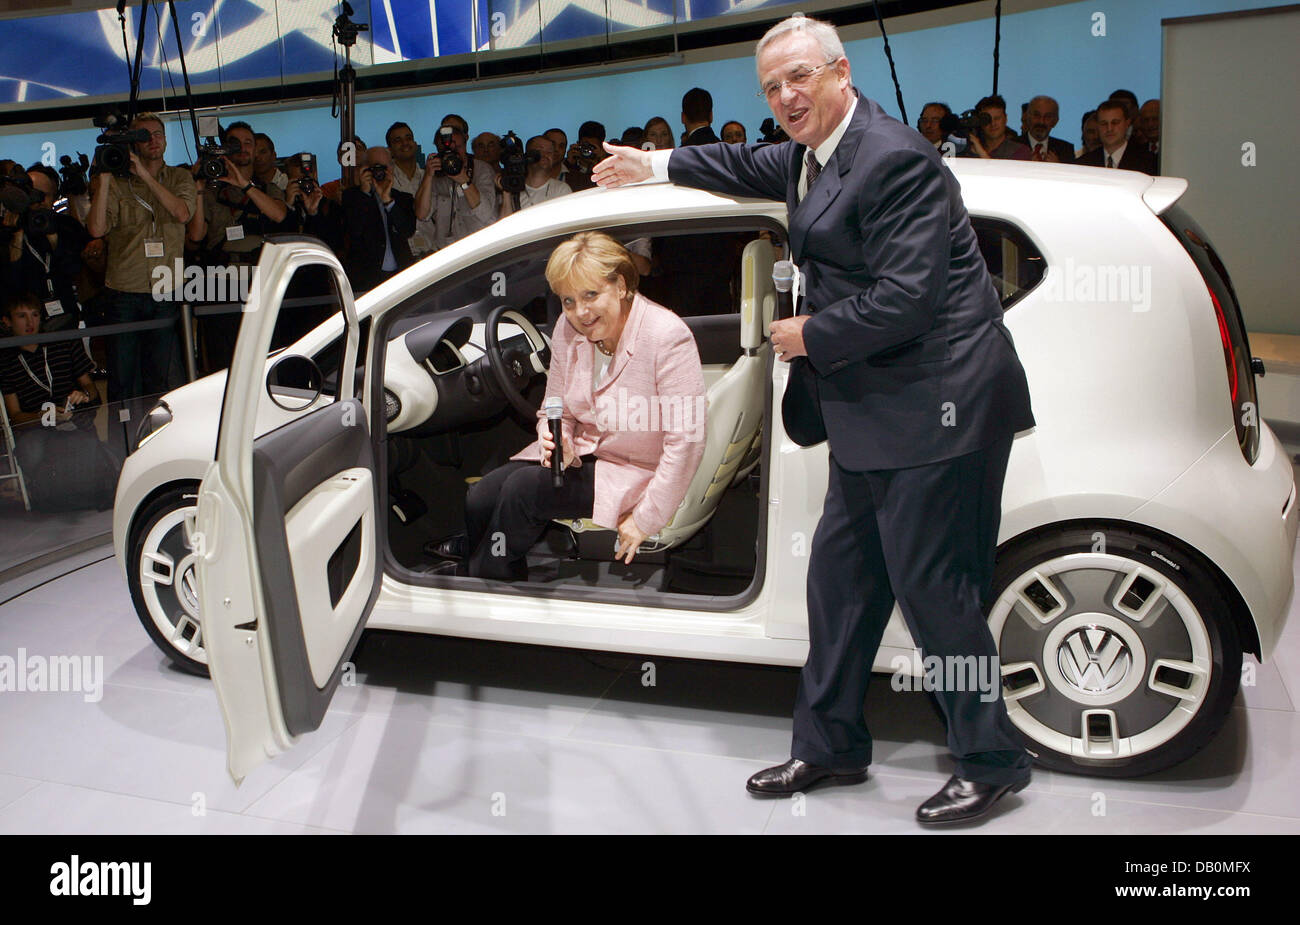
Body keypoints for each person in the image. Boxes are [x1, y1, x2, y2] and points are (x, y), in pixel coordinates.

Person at [594, 12, 1036, 826]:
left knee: (939, 595)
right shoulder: (807, 153)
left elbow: (909, 299)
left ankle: (993, 758)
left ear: (841, 74)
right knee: (840, 584)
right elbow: (737, 160)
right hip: (873, 411)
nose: (786, 95)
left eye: (800, 77)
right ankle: (830, 743)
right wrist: (653, 161)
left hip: (939, 409)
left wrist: (807, 334)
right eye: (772, 86)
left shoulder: (895, 158)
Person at [428, 231, 706, 581]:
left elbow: (687, 441)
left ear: (620, 285)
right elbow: (554, 407)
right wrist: (555, 436)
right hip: (584, 452)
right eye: (568, 300)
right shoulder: (568, 328)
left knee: (523, 492)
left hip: (637, 468)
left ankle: (489, 576)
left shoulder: (665, 335)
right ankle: (481, 553)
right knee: (480, 496)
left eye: (591, 294)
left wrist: (644, 518)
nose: (580, 312)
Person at [85, 111, 197, 404]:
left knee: (162, 377)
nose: (152, 141)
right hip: (124, 289)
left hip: (166, 288)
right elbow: (96, 227)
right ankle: (122, 444)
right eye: (143, 136)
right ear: (131, 143)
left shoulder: (179, 177)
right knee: (122, 379)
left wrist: (144, 174)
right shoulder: (117, 184)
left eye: (157, 134)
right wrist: (105, 178)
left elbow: (182, 213)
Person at [0, 292, 118, 511]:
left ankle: (83, 493)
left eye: (35, 315)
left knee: (81, 442)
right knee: (33, 449)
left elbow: (92, 390)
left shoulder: (62, 343)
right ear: (7, 322)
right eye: (21, 316)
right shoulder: (6, 361)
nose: (30, 323)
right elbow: (14, 418)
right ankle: (52, 497)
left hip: (72, 419)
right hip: (36, 428)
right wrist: (41, 417)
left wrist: (83, 396)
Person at [1, 164, 89, 332]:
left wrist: (53, 236)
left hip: (65, 316)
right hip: (24, 323)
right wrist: (16, 233)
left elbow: (73, 268)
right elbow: (11, 279)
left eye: (45, 196)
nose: (39, 201)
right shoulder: (10, 229)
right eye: (33, 195)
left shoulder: (67, 225)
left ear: (54, 196)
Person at [341, 146, 417, 292]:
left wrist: (388, 200)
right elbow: (354, 231)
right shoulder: (351, 197)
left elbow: (407, 231)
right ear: (365, 169)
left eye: (383, 167)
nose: (379, 172)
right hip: (367, 278)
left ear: (391, 168)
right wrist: (365, 193)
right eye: (374, 167)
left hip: (400, 275)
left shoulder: (403, 198)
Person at [497, 136, 571, 217]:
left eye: (549, 152)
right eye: (539, 150)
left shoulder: (562, 189)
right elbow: (506, 225)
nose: (545, 155)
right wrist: (506, 192)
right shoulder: (515, 190)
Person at [1076, 100, 1156, 174]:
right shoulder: (1084, 163)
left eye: (1115, 123)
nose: (1109, 129)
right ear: (1098, 126)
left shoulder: (1149, 161)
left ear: (1127, 124)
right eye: (1104, 123)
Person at [961, 94, 1031, 160]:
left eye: (997, 118)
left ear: (1005, 118)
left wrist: (981, 153)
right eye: (987, 120)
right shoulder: (970, 149)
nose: (993, 124)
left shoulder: (1020, 151)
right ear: (980, 122)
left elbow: (1002, 173)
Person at [1022, 95, 1075, 164]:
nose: (1041, 122)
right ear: (1028, 117)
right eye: (1037, 115)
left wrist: (1059, 167)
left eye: (1047, 117)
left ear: (1055, 121)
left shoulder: (1066, 149)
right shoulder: (1013, 146)